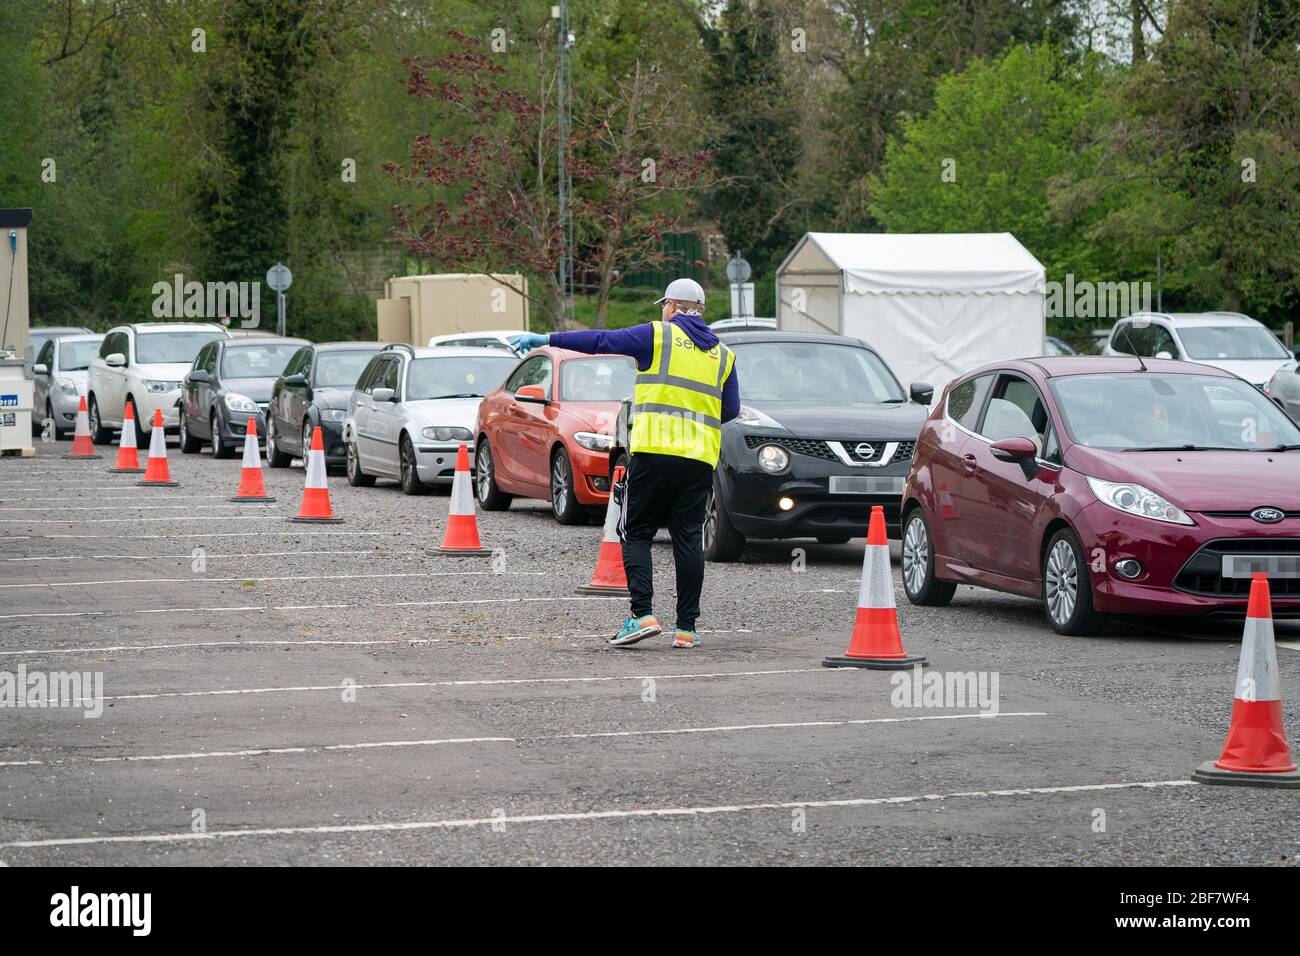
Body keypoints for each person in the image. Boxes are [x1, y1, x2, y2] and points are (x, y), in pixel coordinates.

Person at [517, 278, 740, 648]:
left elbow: (602, 341)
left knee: (636, 532)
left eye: (663, 306)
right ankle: (686, 628)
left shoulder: (658, 335)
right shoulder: (723, 354)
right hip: (699, 459)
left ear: (671, 305)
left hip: (654, 453)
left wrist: (549, 339)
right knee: (687, 538)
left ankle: (642, 615)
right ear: (700, 310)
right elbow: (729, 409)